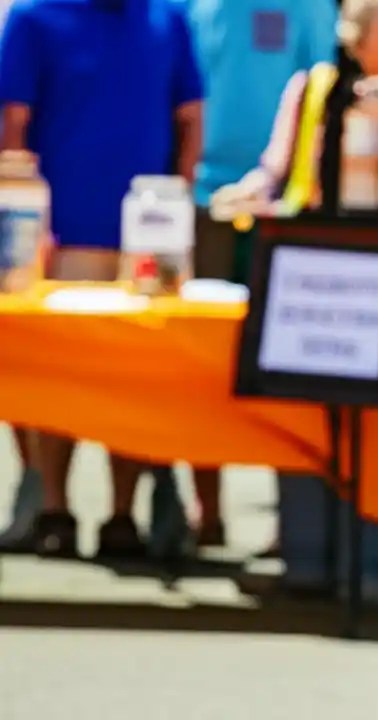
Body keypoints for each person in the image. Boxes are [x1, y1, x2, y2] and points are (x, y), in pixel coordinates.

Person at [0, 0, 203, 557]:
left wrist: (178, 210)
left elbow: (189, 118)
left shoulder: (169, 18)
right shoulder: (35, 17)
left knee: (134, 378)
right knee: (57, 377)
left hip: (148, 238)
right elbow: (12, 124)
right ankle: (54, 510)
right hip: (61, 234)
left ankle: (122, 515)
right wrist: (23, 220)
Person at [183, 0, 338, 550]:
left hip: (287, 214)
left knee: (285, 364)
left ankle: (288, 524)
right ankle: (207, 510)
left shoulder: (313, 8)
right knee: (204, 360)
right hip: (206, 201)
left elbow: (325, 91)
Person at [211, 0, 378, 222]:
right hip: (326, 247)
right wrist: (244, 194)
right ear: (360, 38)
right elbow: (273, 171)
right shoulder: (313, 90)